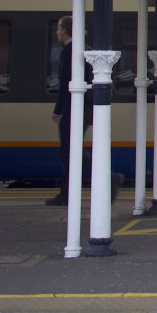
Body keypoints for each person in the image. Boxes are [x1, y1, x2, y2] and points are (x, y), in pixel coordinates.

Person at [46, 15, 123, 206]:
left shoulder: (71, 51)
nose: (57, 33)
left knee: (70, 149)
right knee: (69, 150)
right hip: (83, 107)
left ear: (65, 30)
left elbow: (66, 83)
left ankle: (109, 178)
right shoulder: (83, 49)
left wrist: (58, 109)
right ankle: (67, 193)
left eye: (59, 29)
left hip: (75, 108)